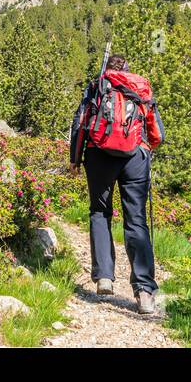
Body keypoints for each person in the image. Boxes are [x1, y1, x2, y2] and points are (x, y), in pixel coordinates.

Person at [68, 53, 165, 315]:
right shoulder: (139, 87)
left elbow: (81, 122)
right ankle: (144, 292)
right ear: (127, 69)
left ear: (107, 69)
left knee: (100, 212)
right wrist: (146, 147)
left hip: (99, 154)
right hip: (136, 156)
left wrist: (75, 159)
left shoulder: (98, 85)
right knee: (136, 219)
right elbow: (157, 132)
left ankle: (104, 278)